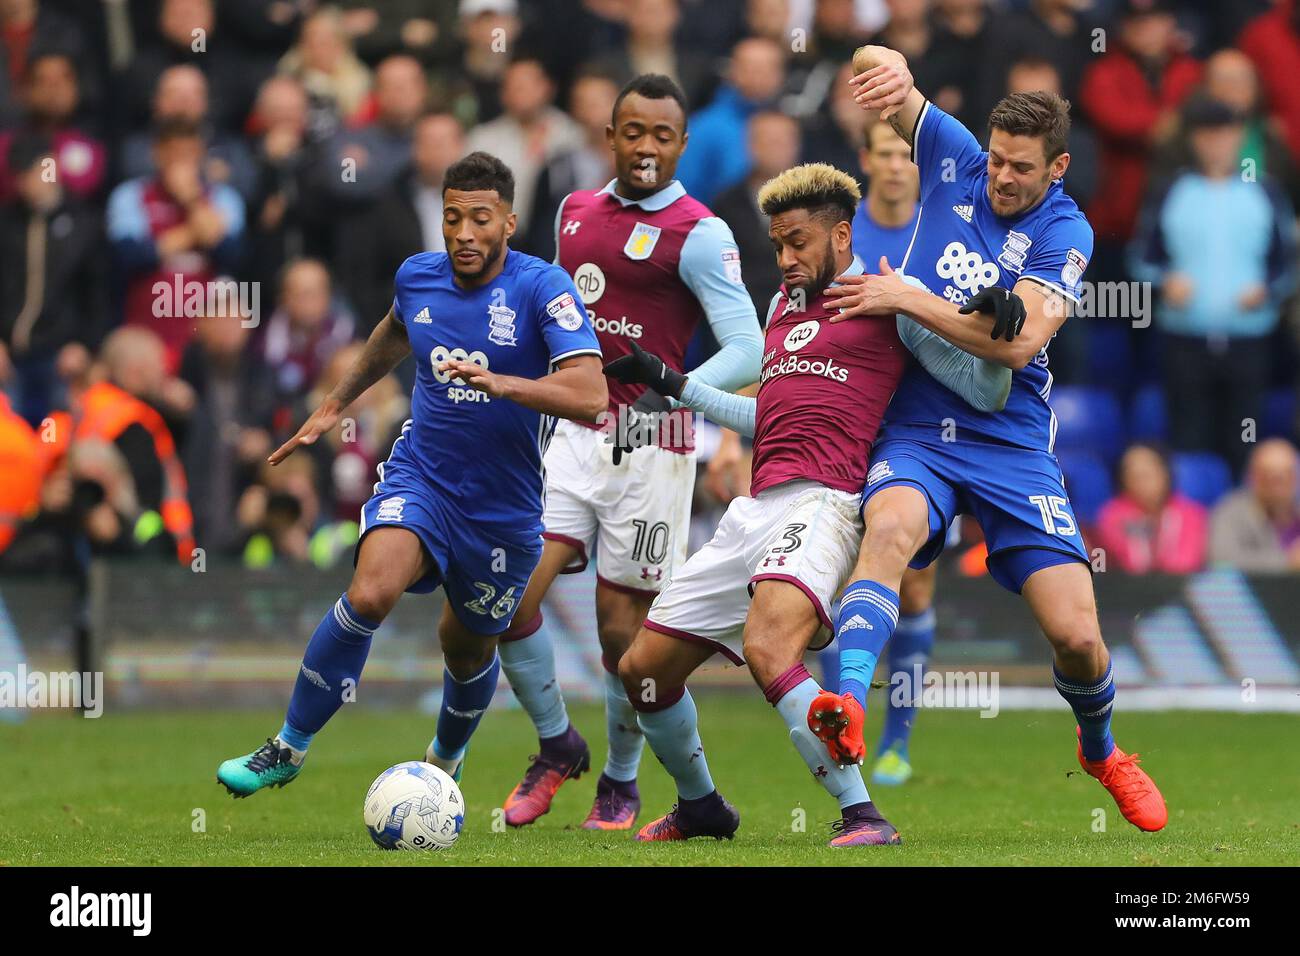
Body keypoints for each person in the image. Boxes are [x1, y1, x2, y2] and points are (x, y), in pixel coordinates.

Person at [609, 162, 1013, 846]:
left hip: (829, 504)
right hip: (756, 506)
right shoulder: (780, 309)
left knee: (769, 646)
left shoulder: (890, 298)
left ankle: (865, 816)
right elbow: (769, 414)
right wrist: (673, 384)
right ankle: (702, 805)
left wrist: (999, 345)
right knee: (641, 673)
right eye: (776, 246)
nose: (786, 259)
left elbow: (985, 391)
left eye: (798, 242)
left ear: (842, 235)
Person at [821, 44, 1168, 833]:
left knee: (1078, 636)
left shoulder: (1066, 229)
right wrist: (890, 66)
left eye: (1020, 167)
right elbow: (891, 80)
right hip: (916, 422)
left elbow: (1016, 347)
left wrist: (909, 298)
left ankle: (1102, 749)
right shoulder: (951, 152)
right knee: (891, 531)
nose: (1002, 178)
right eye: (999, 161)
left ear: (1058, 167)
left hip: (1010, 439)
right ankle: (844, 701)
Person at [216, 151, 607, 797]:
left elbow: (591, 393)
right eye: (452, 218)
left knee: (468, 646)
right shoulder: (418, 278)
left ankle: (444, 762)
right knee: (370, 591)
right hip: (422, 477)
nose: (463, 233)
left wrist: (504, 383)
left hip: (502, 508)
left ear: (508, 222)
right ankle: (287, 746)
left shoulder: (544, 288)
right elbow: (397, 331)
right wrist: (336, 402)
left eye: (480, 219)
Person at [495, 74, 762, 831]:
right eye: (633, 132)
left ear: (681, 143)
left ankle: (621, 782)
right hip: (575, 435)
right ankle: (555, 744)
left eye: (662, 135)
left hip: (657, 443)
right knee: (512, 592)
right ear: (610, 137)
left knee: (623, 635)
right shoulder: (575, 213)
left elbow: (748, 346)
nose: (646, 147)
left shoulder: (701, 231)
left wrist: (670, 390)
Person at [845, 117, 934, 787]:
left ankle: (897, 742)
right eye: (887, 153)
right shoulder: (844, 235)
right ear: (867, 161)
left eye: (908, 153)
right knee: (848, 572)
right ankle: (843, 721)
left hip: (927, 423)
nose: (899, 165)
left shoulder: (938, 231)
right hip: (854, 415)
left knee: (915, 583)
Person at [1094, 443, 1207, 574]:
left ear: (1165, 473)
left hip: (1178, 588)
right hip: (1129, 589)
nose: (1141, 480)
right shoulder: (1112, 515)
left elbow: (1185, 564)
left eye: (1147, 473)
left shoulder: (1190, 513)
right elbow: (1131, 563)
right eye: (1133, 474)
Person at [1208, 439, 1300, 572]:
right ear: (1253, 477)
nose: (1277, 487)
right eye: (1269, 476)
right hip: (1251, 591)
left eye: (1285, 476)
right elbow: (1221, 561)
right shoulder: (1229, 512)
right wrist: (1287, 561)